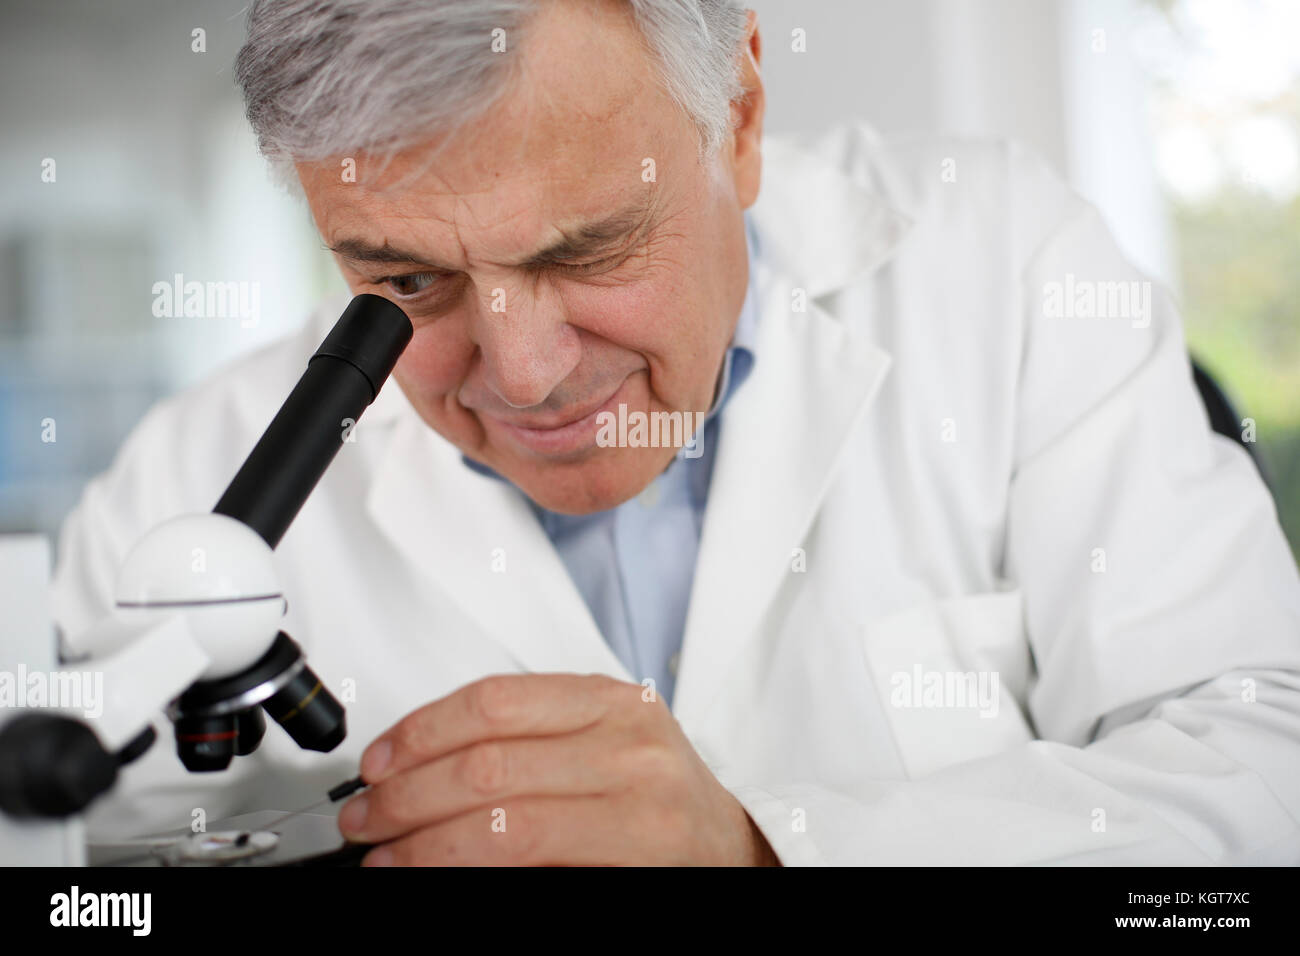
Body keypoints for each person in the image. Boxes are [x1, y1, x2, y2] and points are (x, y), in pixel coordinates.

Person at [51, 0, 1300, 865]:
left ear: (741, 115)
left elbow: (1261, 767)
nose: (526, 375)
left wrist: (765, 844)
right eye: (405, 285)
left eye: (589, 249)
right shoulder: (193, 477)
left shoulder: (1005, 272)